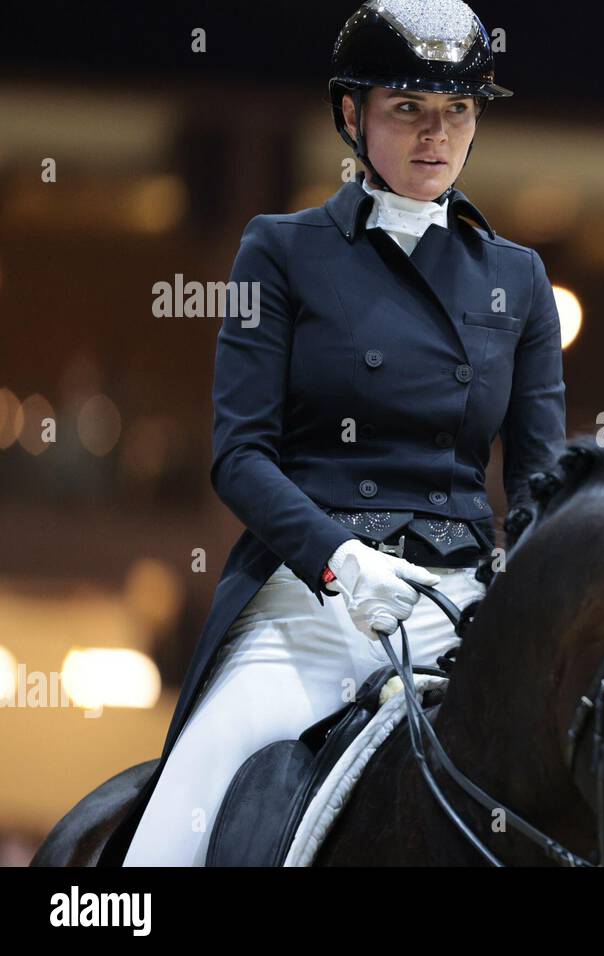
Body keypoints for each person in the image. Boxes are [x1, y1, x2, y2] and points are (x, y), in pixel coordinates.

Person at [105, 0, 567, 865]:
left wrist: (517, 599)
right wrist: (338, 561)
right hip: (310, 607)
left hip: (460, 607)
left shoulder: (520, 277)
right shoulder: (281, 251)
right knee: (178, 831)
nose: (437, 135)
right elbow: (240, 456)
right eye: (408, 109)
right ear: (351, 114)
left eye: (458, 111)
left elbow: (543, 482)